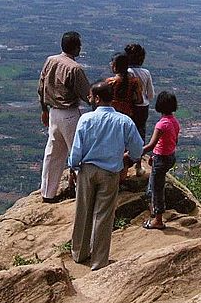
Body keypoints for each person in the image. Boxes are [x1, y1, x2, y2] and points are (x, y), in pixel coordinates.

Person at [68, 81, 144, 270]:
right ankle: (99, 261)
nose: (89, 98)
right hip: (110, 172)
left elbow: (77, 148)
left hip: (87, 170)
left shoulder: (86, 119)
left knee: (83, 211)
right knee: (103, 216)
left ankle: (79, 254)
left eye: (91, 96)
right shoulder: (124, 121)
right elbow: (137, 148)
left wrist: (73, 167)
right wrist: (128, 159)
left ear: (97, 98)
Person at [38, 31, 91, 203]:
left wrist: (44, 110)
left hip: (53, 112)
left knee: (53, 153)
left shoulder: (50, 60)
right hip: (69, 114)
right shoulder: (75, 68)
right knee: (78, 153)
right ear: (76, 48)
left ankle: (48, 193)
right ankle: (80, 192)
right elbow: (88, 95)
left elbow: (41, 87)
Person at [142, 91, 180, 231]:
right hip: (170, 156)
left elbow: (151, 145)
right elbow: (174, 141)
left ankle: (158, 220)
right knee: (154, 184)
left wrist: (132, 154)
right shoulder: (174, 122)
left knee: (157, 189)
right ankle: (153, 211)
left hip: (161, 159)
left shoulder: (161, 124)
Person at [106, 52, 143, 182]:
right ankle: (123, 176)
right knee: (124, 146)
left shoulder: (110, 82)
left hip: (112, 118)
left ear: (115, 66)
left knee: (112, 144)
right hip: (128, 116)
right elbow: (139, 100)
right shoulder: (134, 81)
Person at [125, 43, 155, 176]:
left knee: (126, 133)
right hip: (143, 108)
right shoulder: (146, 73)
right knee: (140, 133)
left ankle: (124, 163)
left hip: (128, 107)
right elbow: (151, 95)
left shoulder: (126, 73)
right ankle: (138, 165)